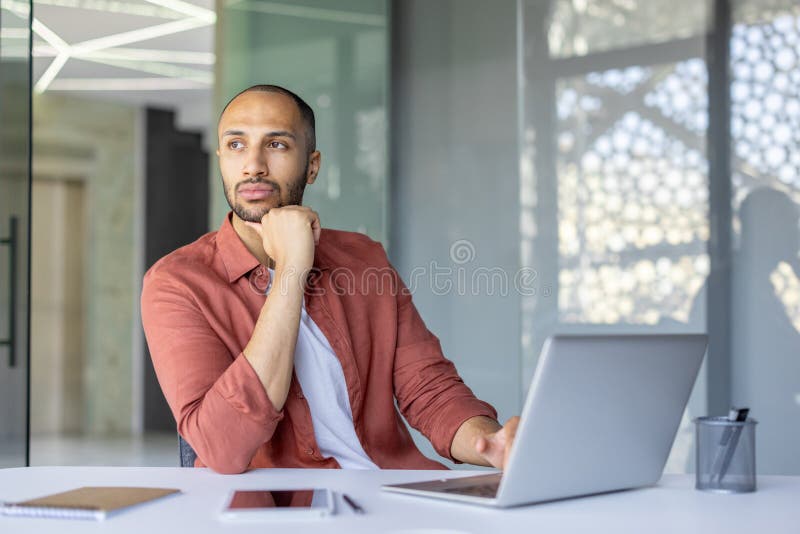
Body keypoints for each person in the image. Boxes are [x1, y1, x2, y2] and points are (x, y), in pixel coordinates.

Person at [141, 84, 519, 474]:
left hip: (391, 492)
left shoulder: (362, 258)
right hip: (285, 512)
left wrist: (491, 445)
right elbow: (223, 445)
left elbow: (428, 389)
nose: (253, 164)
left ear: (313, 165)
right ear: (220, 159)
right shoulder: (177, 282)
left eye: (277, 145)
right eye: (236, 145)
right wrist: (291, 269)